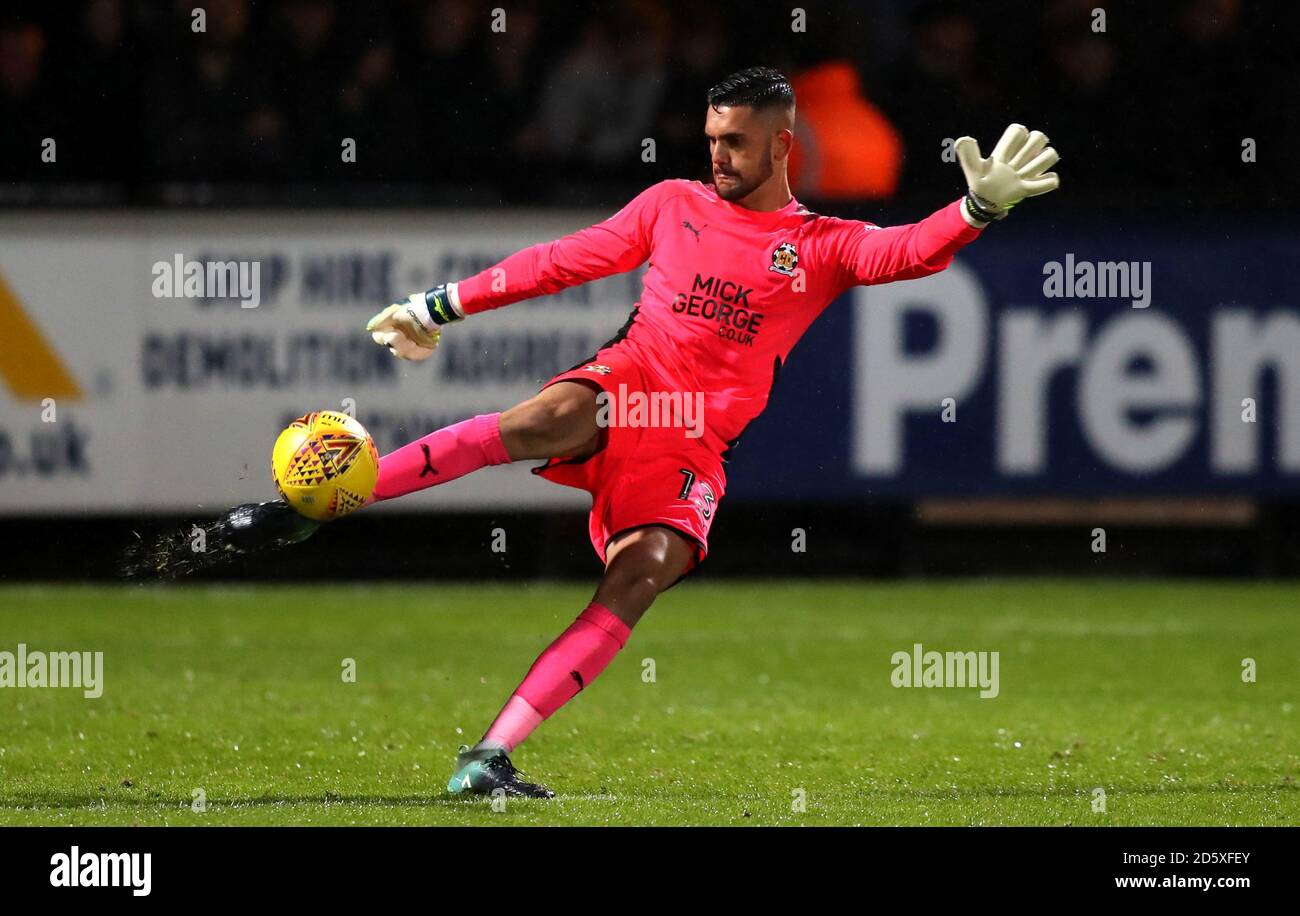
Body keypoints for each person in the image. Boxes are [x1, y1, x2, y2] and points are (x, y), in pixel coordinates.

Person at [234, 66, 1059, 798]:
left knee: (639, 577)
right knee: (543, 418)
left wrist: (976, 207)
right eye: (711, 139)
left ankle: (489, 755)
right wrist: (437, 303)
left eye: (735, 142)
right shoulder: (672, 205)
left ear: (782, 147)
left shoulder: (820, 246)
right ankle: (329, 499)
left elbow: (910, 250)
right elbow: (564, 259)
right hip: (629, 384)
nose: (718, 155)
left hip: (692, 441)